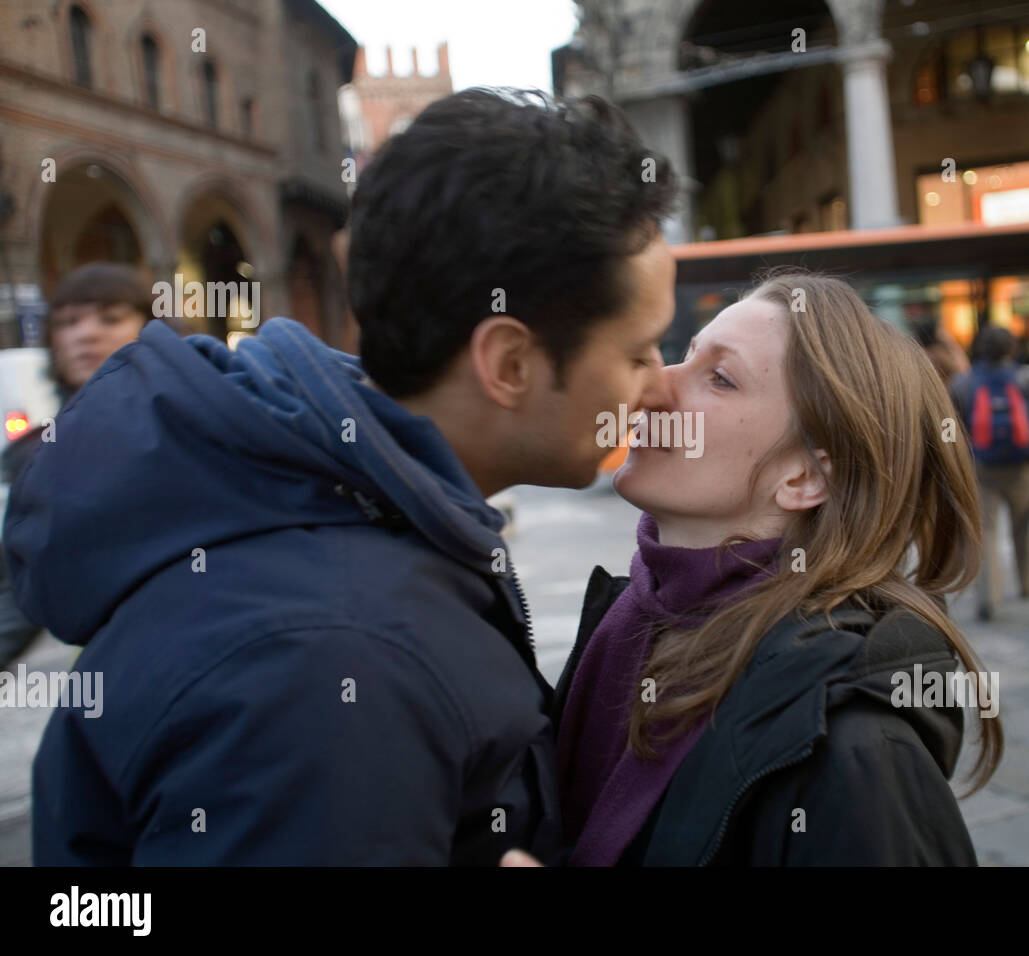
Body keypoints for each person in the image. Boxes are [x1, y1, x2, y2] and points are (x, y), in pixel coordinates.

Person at [5, 88, 679, 864]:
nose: (660, 384)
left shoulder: (332, 516)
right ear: (510, 362)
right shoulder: (338, 664)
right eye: (637, 352)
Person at [549, 273, 1002, 865]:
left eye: (720, 377)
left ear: (804, 477)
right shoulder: (630, 623)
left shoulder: (855, 753)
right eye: (686, 356)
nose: (654, 384)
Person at [1, 263, 154, 668]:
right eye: (68, 322)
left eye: (110, 318)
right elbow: (19, 586)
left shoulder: (197, 418)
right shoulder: (36, 455)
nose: (86, 333)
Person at [951, 325, 1029, 622]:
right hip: (1021, 467)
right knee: (1023, 526)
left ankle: (988, 600)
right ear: (1013, 350)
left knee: (986, 533)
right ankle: (1028, 583)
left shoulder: (963, 384)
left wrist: (954, 464)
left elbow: (950, 428)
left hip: (982, 469)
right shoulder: (1025, 380)